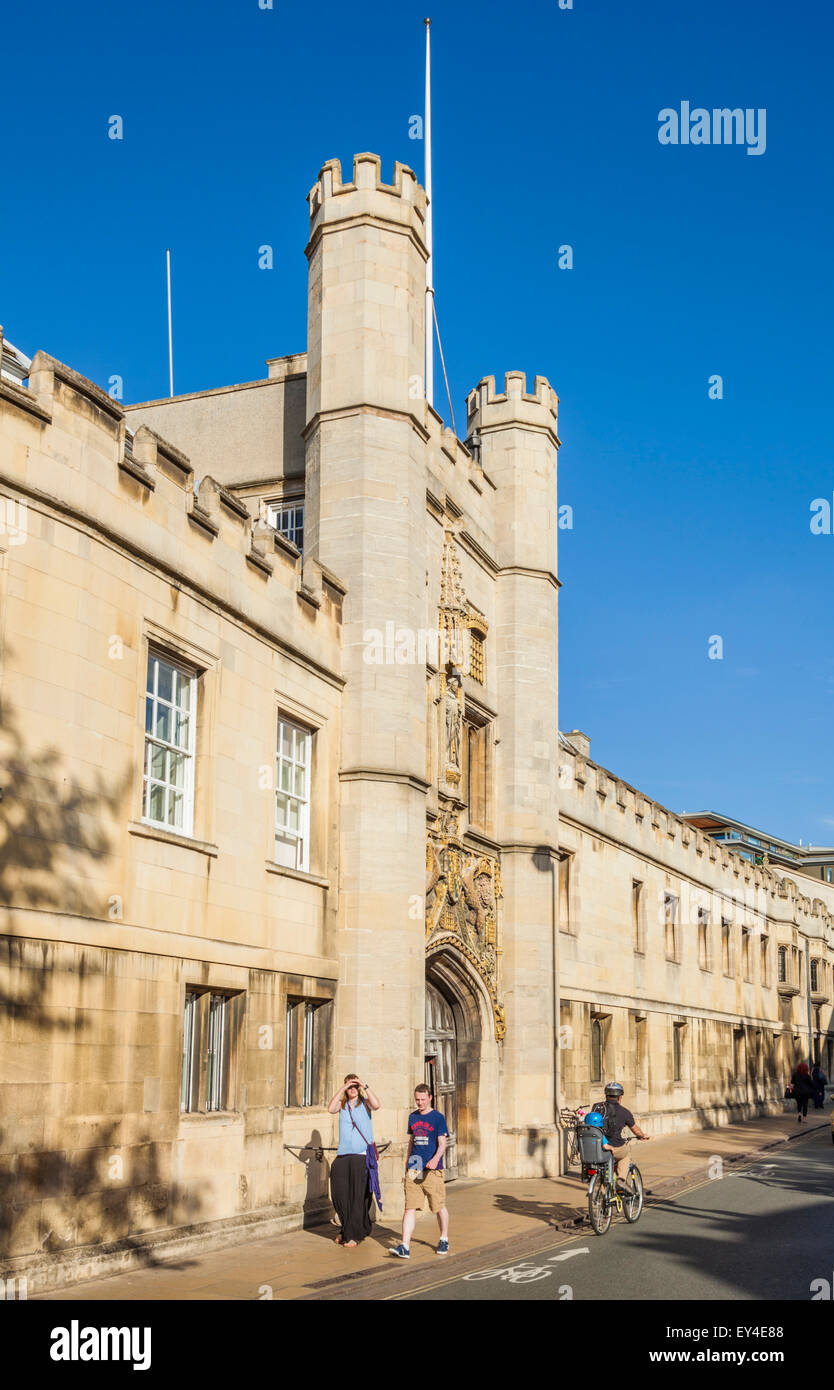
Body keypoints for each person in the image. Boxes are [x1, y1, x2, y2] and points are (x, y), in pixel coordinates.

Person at [390, 1083, 450, 1259]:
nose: (420, 1103)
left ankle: (444, 1238)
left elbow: (442, 1143)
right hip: (415, 1166)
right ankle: (405, 1246)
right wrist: (407, 1162)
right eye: (417, 1099)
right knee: (409, 1207)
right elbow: (412, 1141)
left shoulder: (438, 1118)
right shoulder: (413, 1117)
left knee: (438, 1206)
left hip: (433, 1169)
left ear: (430, 1098)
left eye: (423, 1099)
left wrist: (435, 1159)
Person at [327, 1073, 381, 1247]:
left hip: (361, 1156)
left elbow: (377, 1104)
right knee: (340, 1195)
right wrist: (343, 1087)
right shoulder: (342, 1106)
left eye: (354, 1086)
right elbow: (330, 1108)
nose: (352, 1089)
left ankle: (352, 1235)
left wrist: (363, 1085)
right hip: (343, 1156)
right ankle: (347, 1229)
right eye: (349, 1086)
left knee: (357, 1197)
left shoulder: (365, 1104)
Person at [600, 1080, 649, 1192]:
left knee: (604, 1169)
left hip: (597, 1147)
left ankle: (601, 1199)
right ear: (620, 1097)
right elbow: (635, 1129)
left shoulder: (598, 1108)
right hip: (614, 1147)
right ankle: (621, 1180)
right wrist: (642, 1135)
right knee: (626, 1153)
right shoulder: (625, 1112)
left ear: (606, 1095)